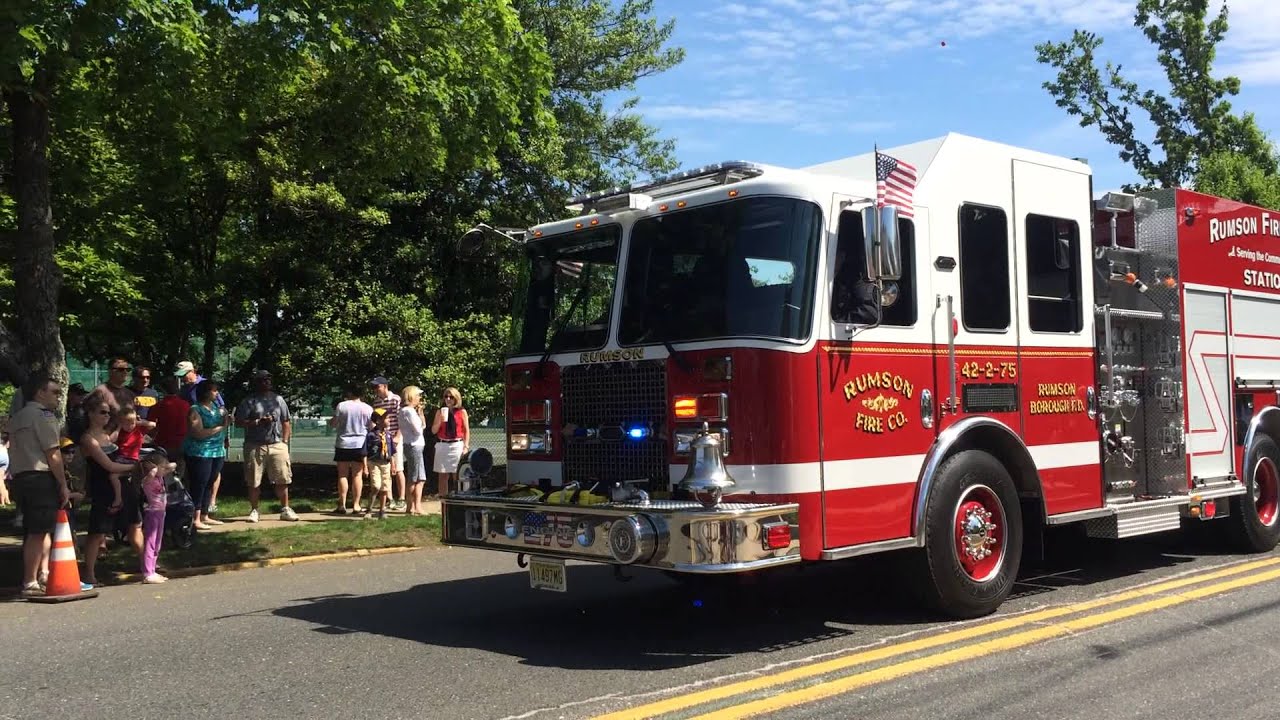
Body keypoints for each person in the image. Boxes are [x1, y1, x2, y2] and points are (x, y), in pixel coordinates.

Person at [9, 374, 74, 596]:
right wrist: (63, 483)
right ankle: (30, 581)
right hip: (39, 477)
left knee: (37, 528)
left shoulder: (17, 417)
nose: (58, 396)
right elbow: (53, 452)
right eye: (54, 392)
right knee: (38, 531)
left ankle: (43, 573)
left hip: (20, 478)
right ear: (40, 393)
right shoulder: (44, 416)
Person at [81, 395, 140, 587]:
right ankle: (89, 573)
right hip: (103, 489)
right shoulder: (88, 439)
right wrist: (136, 467)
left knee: (135, 525)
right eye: (102, 412)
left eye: (109, 412)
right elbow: (109, 466)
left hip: (122, 487)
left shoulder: (108, 435)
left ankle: (148, 564)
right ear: (90, 414)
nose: (107, 416)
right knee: (98, 533)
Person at [235, 370, 297, 522]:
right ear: (256, 383)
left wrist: (285, 441)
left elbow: (286, 421)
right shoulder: (249, 401)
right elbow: (238, 422)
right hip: (255, 445)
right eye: (262, 380)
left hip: (276, 444)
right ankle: (254, 510)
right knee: (254, 480)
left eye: (268, 380)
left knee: (282, 478)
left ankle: (285, 509)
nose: (266, 382)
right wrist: (256, 422)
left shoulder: (278, 399)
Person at [183, 380, 227, 530]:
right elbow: (198, 433)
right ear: (206, 392)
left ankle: (204, 515)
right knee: (199, 483)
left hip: (217, 451)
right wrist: (220, 427)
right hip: (200, 452)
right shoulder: (195, 410)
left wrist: (226, 421)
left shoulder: (215, 407)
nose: (217, 393)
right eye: (214, 390)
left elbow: (221, 424)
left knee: (210, 481)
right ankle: (194, 518)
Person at [330, 385, 372, 515]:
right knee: (357, 475)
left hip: (343, 443)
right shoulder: (367, 408)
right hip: (359, 443)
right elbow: (371, 426)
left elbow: (334, 423)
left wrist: (332, 421)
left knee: (342, 475)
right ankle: (356, 504)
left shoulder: (342, 406)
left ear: (349, 392)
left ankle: (342, 504)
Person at [370, 376, 405, 511]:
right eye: (374, 387)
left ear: (385, 386)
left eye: (377, 387)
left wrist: (397, 436)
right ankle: (390, 499)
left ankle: (402, 498)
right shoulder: (377, 402)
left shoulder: (396, 399)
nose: (375, 390)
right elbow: (376, 420)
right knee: (385, 468)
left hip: (395, 438)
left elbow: (401, 419)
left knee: (398, 468)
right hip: (383, 438)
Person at [137, 451, 173, 584]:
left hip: (161, 512)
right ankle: (147, 572)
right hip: (152, 512)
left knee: (157, 543)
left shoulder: (160, 477)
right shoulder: (149, 479)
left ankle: (152, 569)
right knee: (151, 542)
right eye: (162, 467)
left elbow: (172, 466)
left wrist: (163, 466)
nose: (165, 469)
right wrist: (153, 468)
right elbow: (150, 474)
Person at [430, 386, 470, 499]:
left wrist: (466, 446)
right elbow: (433, 431)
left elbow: (466, 430)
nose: (448, 399)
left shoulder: (462, 412)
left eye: (451, 397)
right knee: (442, 475)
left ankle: (459, 497)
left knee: (457, 474)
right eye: (446, 397)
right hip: (443, 444)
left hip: (457, 445)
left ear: (456, 398)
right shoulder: (440, 411)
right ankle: (443, 498)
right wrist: (440, 421)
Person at [150, 376, 191, 478]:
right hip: (183, 442)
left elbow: (150, 424)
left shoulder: (158, 406)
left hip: (164, 442)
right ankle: (179, 488)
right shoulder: (186, 405)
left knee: (164, 472)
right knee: (180, 469)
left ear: (163, 390)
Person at [399, 386, 428, 515]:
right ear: (411, 396)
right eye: (417, 395)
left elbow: (423, 425)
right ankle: (412, 506)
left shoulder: (408, 411)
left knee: (419, 477)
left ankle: (414, 506)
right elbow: (418, 430)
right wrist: (420, 423)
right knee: (415, 477)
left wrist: (420, 414)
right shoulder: (408, 411)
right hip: (413, 445)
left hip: (414, 445)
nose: (419, 398)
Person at [363, 408, 395, 520]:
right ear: (378, 421)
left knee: (385, 488)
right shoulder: (371, 436)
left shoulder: (388, 435)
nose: (389, 420)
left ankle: (382, 511)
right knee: (376, 486)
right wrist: (365, 467)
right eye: (386, 418)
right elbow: (365, 452)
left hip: (386, 463)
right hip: (374, 463)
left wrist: (393, 465)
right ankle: (369, 510)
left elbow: (391, 451)